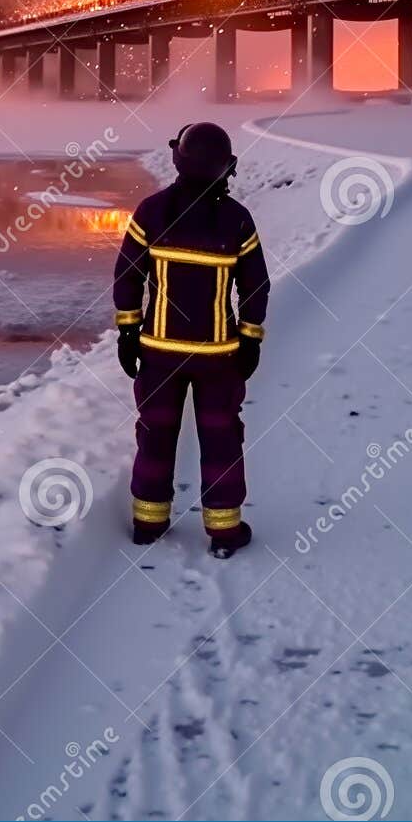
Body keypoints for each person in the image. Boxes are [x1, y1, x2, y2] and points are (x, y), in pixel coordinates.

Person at [112, 121, 269, 558]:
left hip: (160, 353)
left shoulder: (151, 211)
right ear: (227, 168)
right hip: (218, 357)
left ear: (177, 160)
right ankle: (224, 532)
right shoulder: (237, 219)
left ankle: (149, 523)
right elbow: (256, 286)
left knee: (156, 434)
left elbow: (128, 275)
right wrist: (251, 339)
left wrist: (128, 330)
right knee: (220, 439)